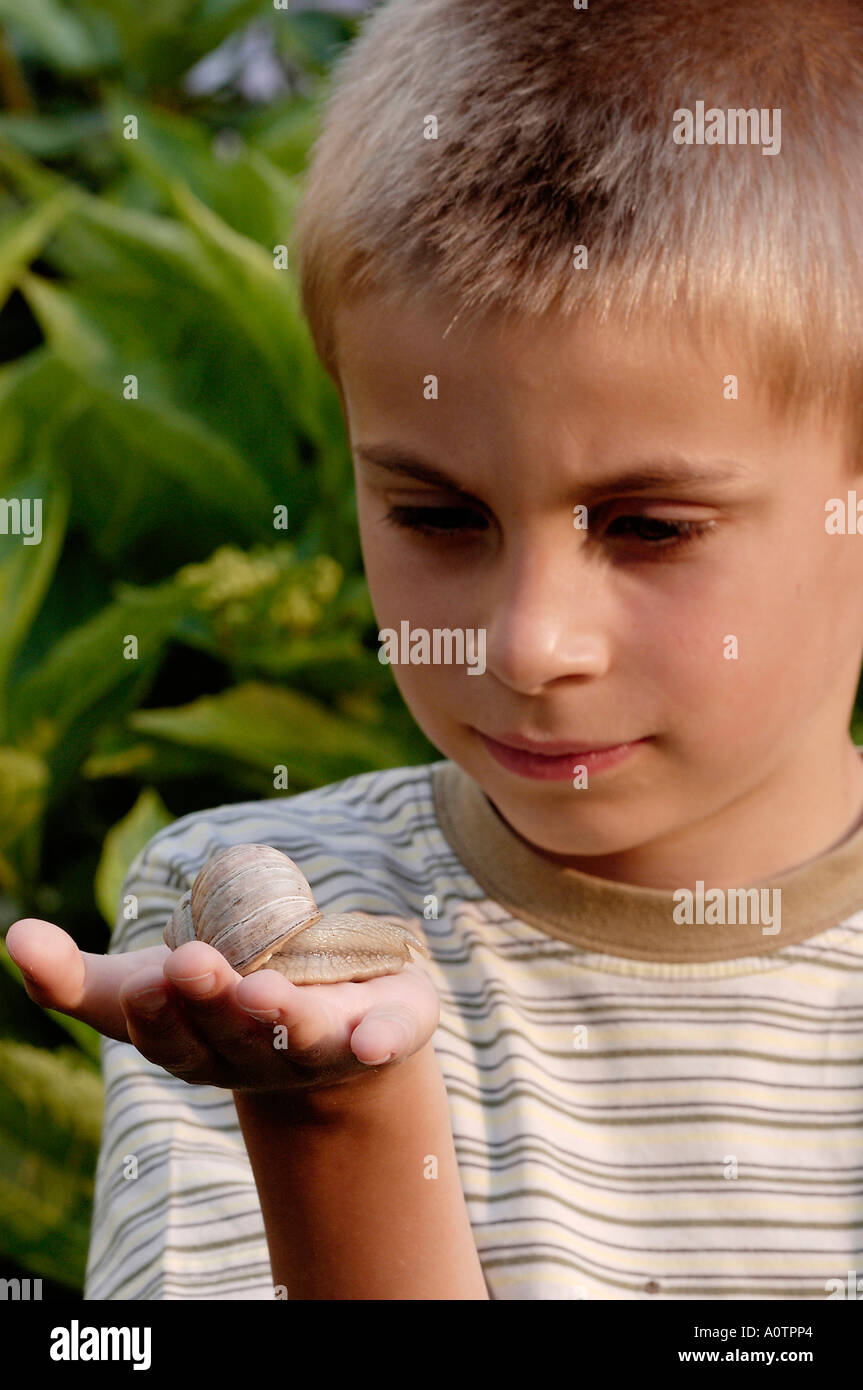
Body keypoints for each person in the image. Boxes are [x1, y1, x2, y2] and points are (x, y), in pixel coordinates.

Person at [8, 0, 863, 1300]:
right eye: (436, 515)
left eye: (648, 526)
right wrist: (332, 1126)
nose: (528, 643)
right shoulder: (231, 942)